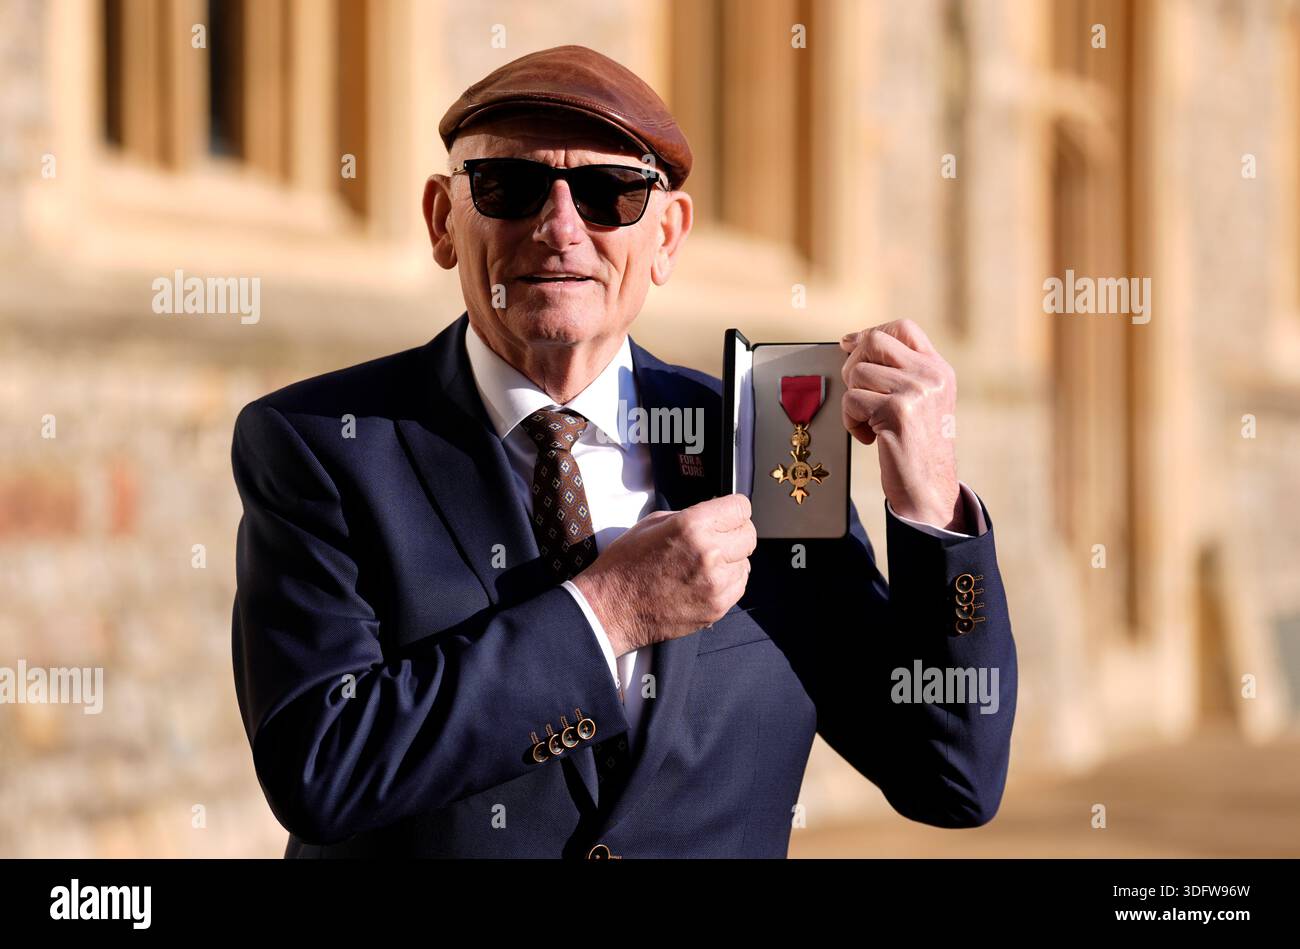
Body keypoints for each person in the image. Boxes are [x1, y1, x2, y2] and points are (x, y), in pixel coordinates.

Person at [230, 44, 1017, 858]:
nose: (561, 226)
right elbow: (322, 768)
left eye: (612, 193)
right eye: (511, 186)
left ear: (668, 235)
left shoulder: (770, 435)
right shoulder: (320, 444)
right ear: (442, 220)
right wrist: (607, 611)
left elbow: (950, 772)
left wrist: (934, 509)